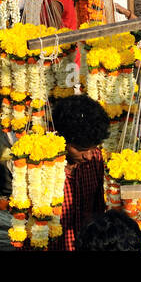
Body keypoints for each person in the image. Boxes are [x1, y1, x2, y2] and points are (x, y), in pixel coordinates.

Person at [50, 94, 110, 250]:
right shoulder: (44, 167)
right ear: (62, 139)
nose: (88, 156)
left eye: (93, 148)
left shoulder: (96, 158)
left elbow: (98, 208)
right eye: (81, 149)